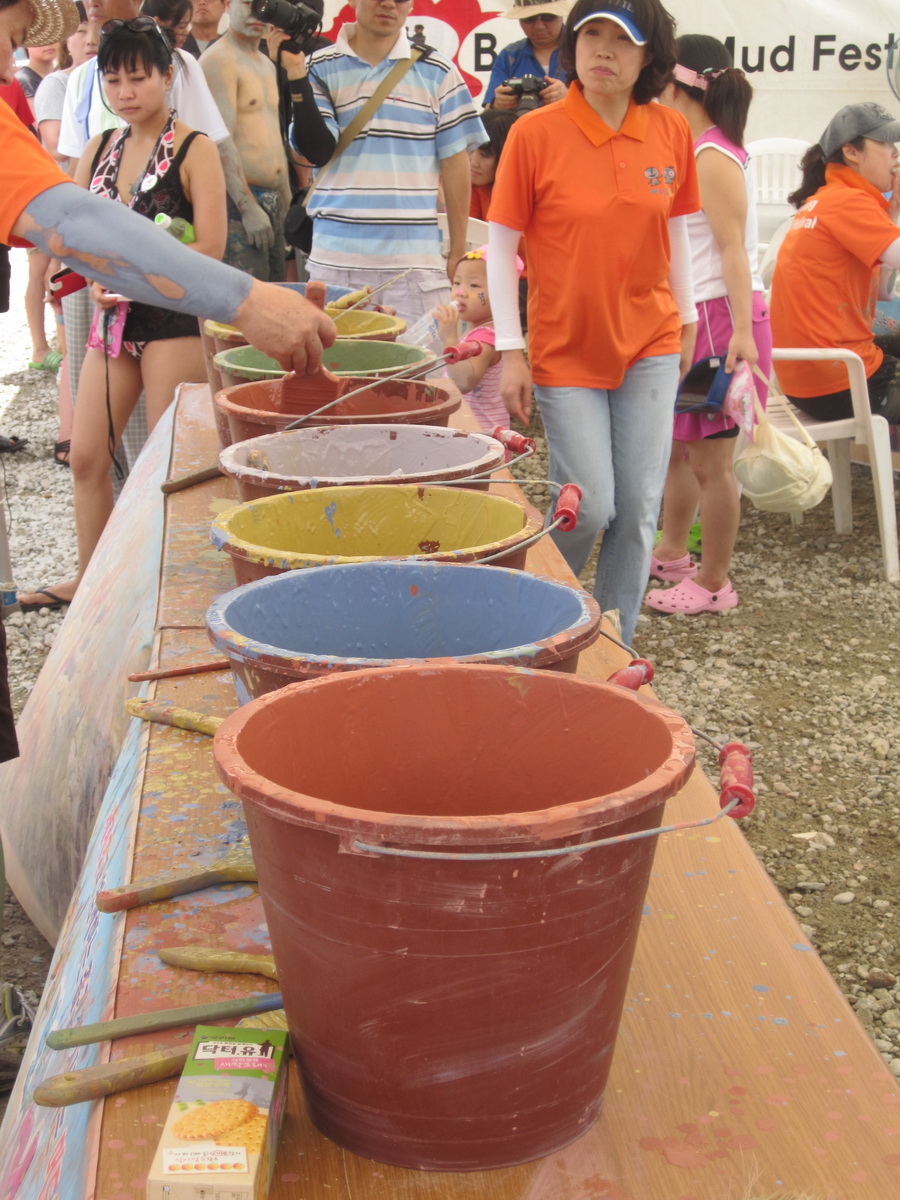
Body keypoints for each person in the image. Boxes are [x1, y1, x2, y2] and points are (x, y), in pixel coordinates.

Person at [2, 0, 335, 723]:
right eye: (112, 78)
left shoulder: (194, 148)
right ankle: (96, 592)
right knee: (88, 455)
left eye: (138, 77)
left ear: (167, 77)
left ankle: (164, 600)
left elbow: (209, 247)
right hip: (111, 315)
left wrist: (203, 285)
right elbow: (65, 227)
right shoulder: (97, 149)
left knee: (167, 467)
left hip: (174, 311)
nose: (125, 91)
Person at [487, 0, 700, 645]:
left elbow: (679, 232)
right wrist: (510, 348)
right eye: (593, 36)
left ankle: (612, 648)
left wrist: (688, 321)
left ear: (648, 55)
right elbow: (501, 247)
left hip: (653, 341)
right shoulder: (535, 132)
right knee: (589, 507)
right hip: (565, 347)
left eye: (622, 40)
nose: (603, 51)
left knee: (637, 512)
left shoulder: (669, 130)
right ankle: (539, 625)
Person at [644, 35, 772, 616]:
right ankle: (672, 552)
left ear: (680, 85)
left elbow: (732, 252)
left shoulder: (712, 157)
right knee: (681, 448)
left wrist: (742, 333)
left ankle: (715, 581)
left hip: (721, 323)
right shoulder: (700, 147)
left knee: (712, 461)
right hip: (701, 320)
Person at [288, 0, 486, 320]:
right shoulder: (315, 67)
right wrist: (295, 75)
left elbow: (456, 163)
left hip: (415, 264)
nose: (389, 4)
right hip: (336, 265)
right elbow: (310, 149)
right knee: (337, 369)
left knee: (419, 370)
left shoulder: (439, 71)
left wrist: (458, 250)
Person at [770, 102, 900, 450]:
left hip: (810, 379)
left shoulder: (829, 199)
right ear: (852, 152)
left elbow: (884, 289)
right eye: (886, 144)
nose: (895, 154)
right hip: (837, 380)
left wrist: (895, 211)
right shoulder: (849, 202)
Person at [33, 0, 97, 463]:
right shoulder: (61, 83)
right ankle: (71, 432)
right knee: (71, 336)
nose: (90, 37)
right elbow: (56, 147)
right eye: (82, 30)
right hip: (63, 213)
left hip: (75, 217)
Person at [201, 0, 291, 281]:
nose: (258, 13)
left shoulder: (265, 63)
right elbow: (219, 140)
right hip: (238, 202)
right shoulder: (218, 60)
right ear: (228, 3)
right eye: (250, 3)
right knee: (247, 309)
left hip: (273, 200)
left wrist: (287, 201)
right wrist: (247, 206)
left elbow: (275, 138)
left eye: (266, 5)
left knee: (277, 307)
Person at [434, 244, 524, 436]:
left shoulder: (486, 338)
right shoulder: (477, 331)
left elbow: (464, 381)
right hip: (468, 436)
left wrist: (449, 338)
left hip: (479, 440)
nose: (461, 292)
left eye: (474, 285)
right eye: (457, 283)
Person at [483, 0, 569, 112]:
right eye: (530, 18)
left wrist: (570, 98)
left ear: (560, 16)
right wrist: (497, 104)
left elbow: (599, 101)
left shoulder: (583, 49)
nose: (539, 26)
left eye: (547, 17)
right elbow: (488, 115)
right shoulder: (508, 56)